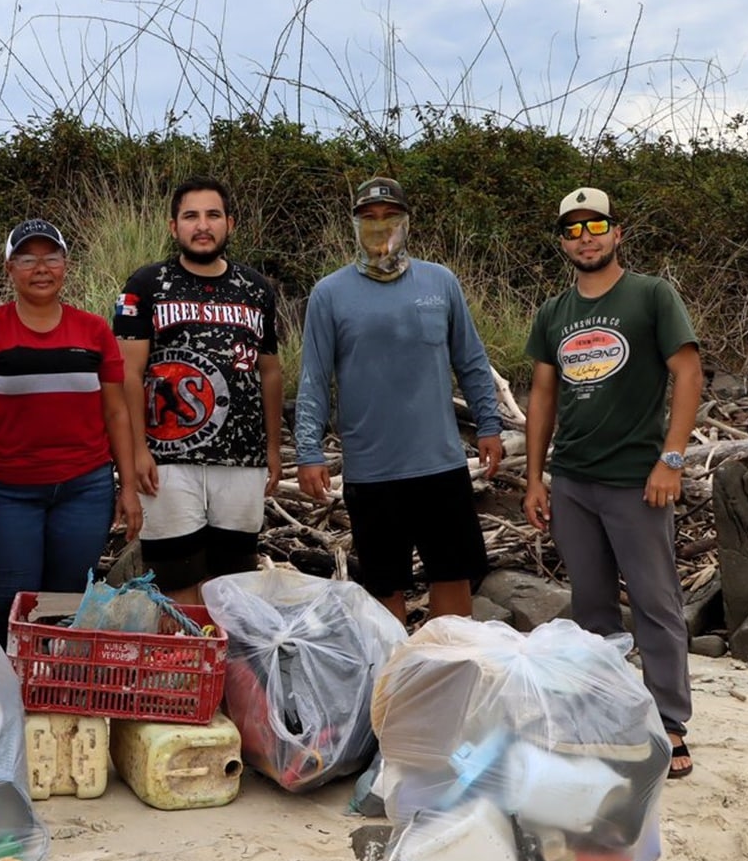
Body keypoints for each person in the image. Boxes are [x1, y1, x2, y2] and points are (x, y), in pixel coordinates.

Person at [523, 186, 705, 780]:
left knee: (656, 602)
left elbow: (687, 373)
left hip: (637, 479)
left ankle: (669, 721)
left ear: (616, 232)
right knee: (592, 607)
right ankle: (605, 711)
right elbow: (544, 394)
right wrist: (536, 477)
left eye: (594, 226)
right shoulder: (553, 312)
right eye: (572, 230)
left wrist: (670, 460)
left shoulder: (652, 295)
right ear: (562, 243)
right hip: (573, 479)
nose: (585, 238)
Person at [295, 176, 505, 624]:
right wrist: (309, 451)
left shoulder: (440, 282)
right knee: (384, 587)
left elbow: (470, 360)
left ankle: (446, 678)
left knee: (452, 578)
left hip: (441, 465)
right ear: (354, 225)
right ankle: (395, 685)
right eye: (368, 218)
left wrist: (489, 423)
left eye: (389, 216)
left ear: (406, 222)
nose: (379, 226)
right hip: (372, 473)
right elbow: (314, 379)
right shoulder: (329, 294)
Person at [0, 219, 143, 641]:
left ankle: (53, 692)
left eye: (51, 257)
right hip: (8, 492)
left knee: (67, 601)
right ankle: (7, 694)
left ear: (66, 265)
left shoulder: (93, 331)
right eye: (27, 258)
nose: (41, 268)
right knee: (8, 600)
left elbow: (117, 414)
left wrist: (127, 488)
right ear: (9, 268)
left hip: (84, 490)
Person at [114, 177, 284, 604]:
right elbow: (127, 375)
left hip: (242, 459)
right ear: (174, 227)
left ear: (230, 223)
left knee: (234, 586)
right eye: (191, 216)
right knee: (176, 583)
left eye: (212, 215)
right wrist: (137, 451)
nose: (202, 225)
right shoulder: (145, 286)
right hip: (168, 458)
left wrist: (273, 450)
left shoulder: (257, 289)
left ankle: (225, 670)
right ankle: (184, 667)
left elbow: (270, 372)